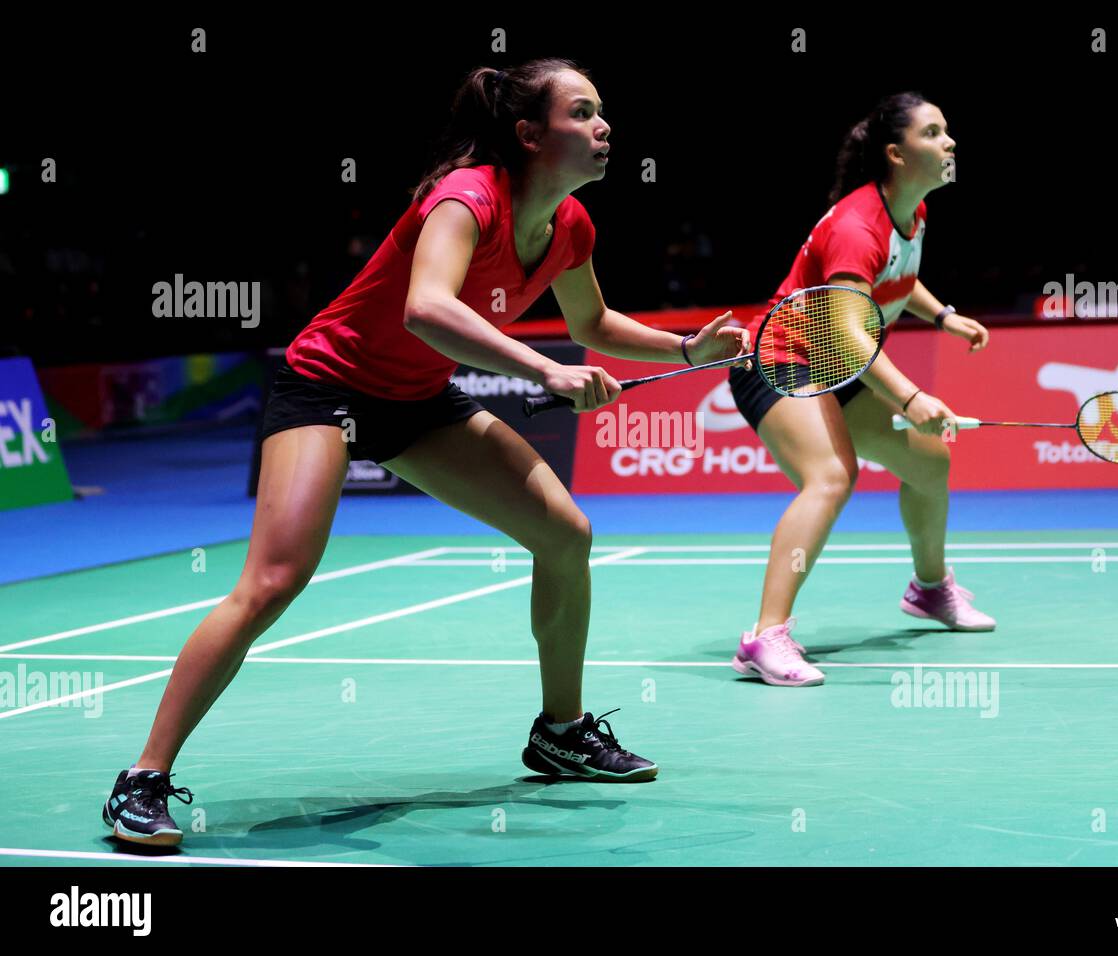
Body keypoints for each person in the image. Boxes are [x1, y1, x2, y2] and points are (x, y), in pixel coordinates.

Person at [102, 58, 749, 846]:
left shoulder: (571, 226)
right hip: (329, 387)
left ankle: (561, 732)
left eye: (601, 111)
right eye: (581, 112)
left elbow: (593, 324)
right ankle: (142, 778)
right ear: (529, 134)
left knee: (565, 533)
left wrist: (687, 348)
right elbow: (426, 308)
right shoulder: (465, 197)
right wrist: (544, 370)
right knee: (274, 580)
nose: (603, 126)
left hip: (416, 399)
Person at [726, 92, 996, 688]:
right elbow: (849, 332)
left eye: (947, 130)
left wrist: (942, 316)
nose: (949, 142)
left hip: (832, 364)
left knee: (930, 461)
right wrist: (910, 398)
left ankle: (929, 590)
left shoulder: (911, 211)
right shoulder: (856, 226)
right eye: (933, 133)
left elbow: (896, 275)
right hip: (780, 358)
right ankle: (764, 637)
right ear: (897, 154)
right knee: (831, 475)